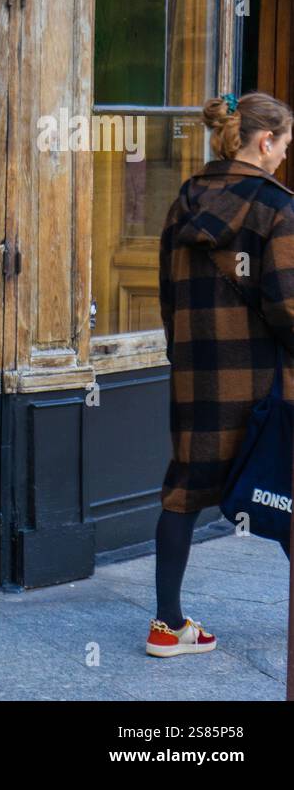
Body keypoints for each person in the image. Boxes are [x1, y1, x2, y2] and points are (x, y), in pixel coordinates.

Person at [151, 91, 294, 658]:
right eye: (285, 143)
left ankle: (167, 626)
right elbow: (285, 306)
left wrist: (182, 352)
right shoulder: (277, 208)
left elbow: (167, 294)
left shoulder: (185, 200)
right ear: (265, 141)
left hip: (196, 373)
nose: (285, 154)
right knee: (285, 488)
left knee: (182, 492)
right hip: (264, 383)